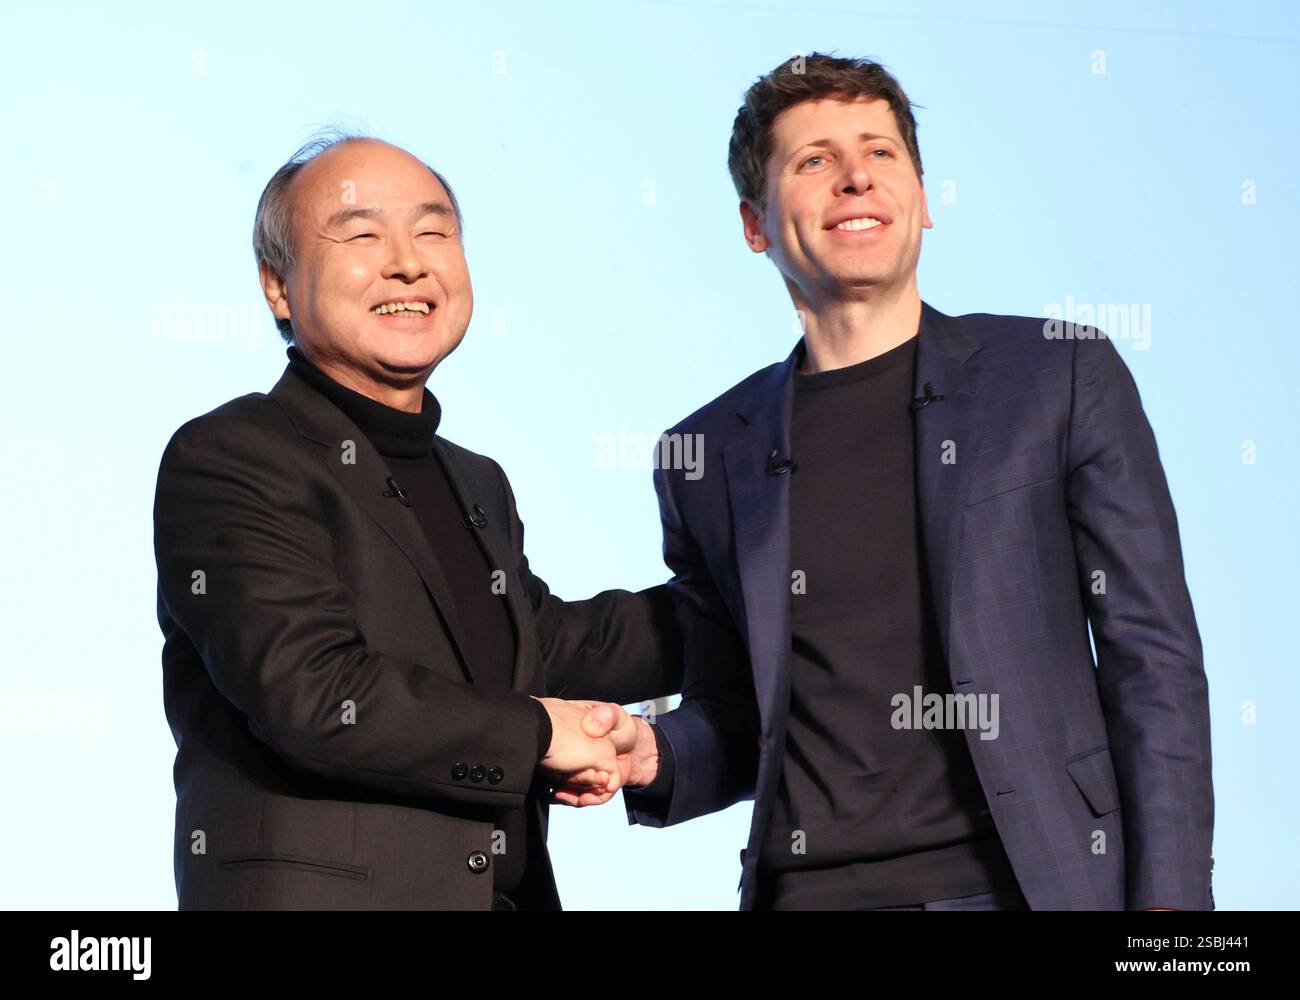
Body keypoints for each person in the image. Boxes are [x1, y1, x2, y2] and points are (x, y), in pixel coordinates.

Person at [601, 53, 1213, 911]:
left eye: (881, 154)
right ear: (754, 223)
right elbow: (738, 714)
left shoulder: (1059, 375)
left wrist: (1173, 920)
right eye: (814, 160)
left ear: (922, 201)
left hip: (1025, 888)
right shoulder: (701, 454)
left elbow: (1155, 662)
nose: (855, 177)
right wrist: (653, 754)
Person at [153, 133, 679, 910]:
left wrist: (765, 597)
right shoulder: (233, 454)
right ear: (277, 286)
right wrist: (538, 734)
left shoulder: (474, 481)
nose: (408, 261)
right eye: (362, 234)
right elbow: (314, 692)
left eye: (434, 231)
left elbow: (549, 645)